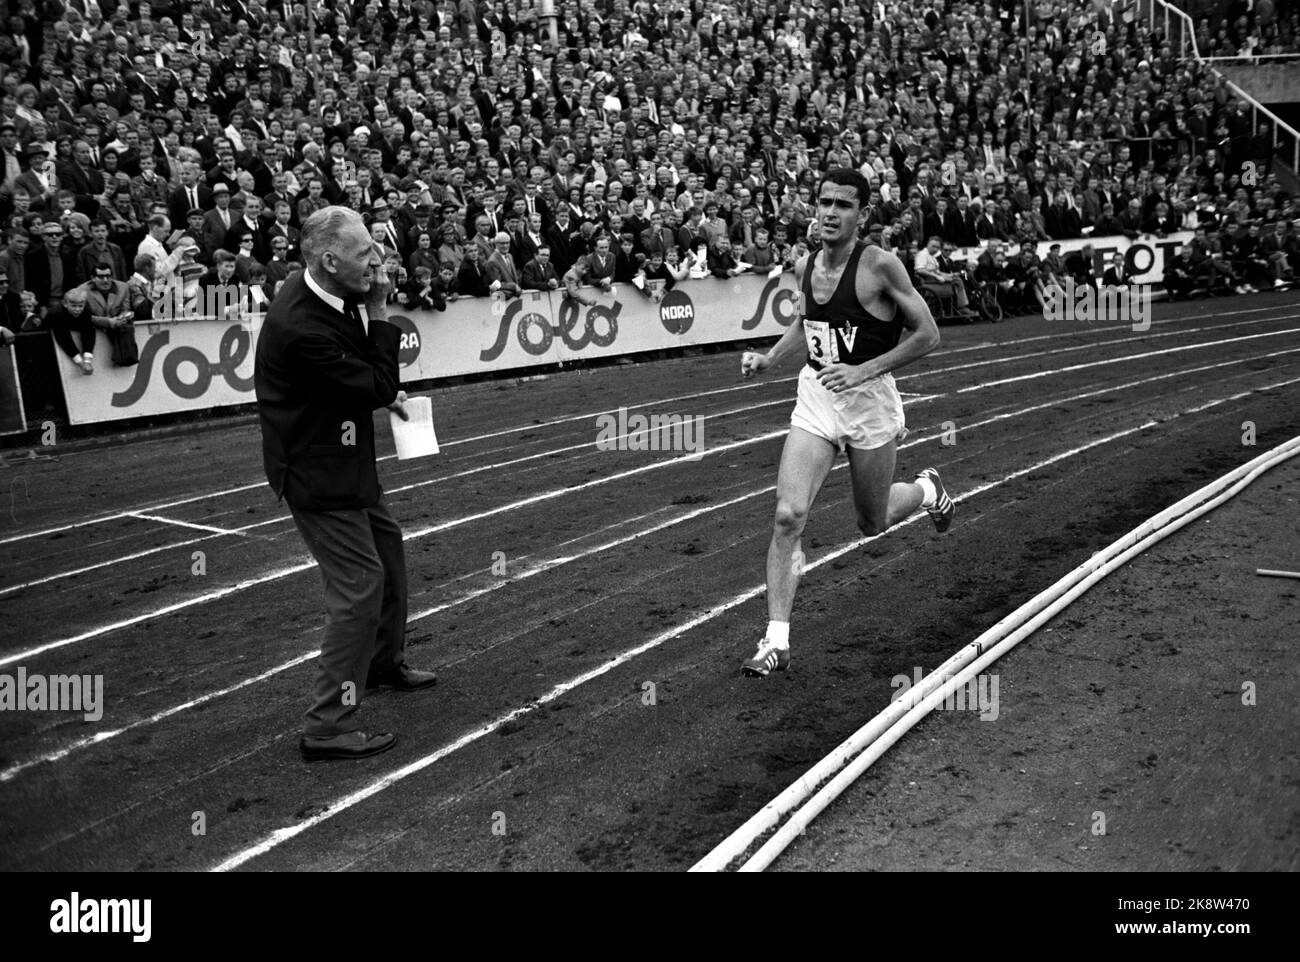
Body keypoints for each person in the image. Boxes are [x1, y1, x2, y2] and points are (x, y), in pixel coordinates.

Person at [737, 169, 952, 677]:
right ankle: (777, 640)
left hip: (869, 402)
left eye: (843, 205)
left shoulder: (881, 265)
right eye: (824, 202)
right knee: (788, 515)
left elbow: (928, 334)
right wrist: (771, 358)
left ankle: (925, 491)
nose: (830, 212)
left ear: (862, 214)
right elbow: (808, 321)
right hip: (816, 395)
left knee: (870, 523)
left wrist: (865, 369)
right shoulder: (807, 262)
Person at [254, 206, 436, 762]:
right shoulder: (302, 325)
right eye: (365, 253)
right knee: (358, 585)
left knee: (387, 550)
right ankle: (326, 724)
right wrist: (381, 308)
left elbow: (365, 382)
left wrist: (374, 386)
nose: (377, 261)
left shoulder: (324, 287)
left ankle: (381, 662)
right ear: (329, 260)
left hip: (345, 454)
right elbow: (377, 383)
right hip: (317, 469)